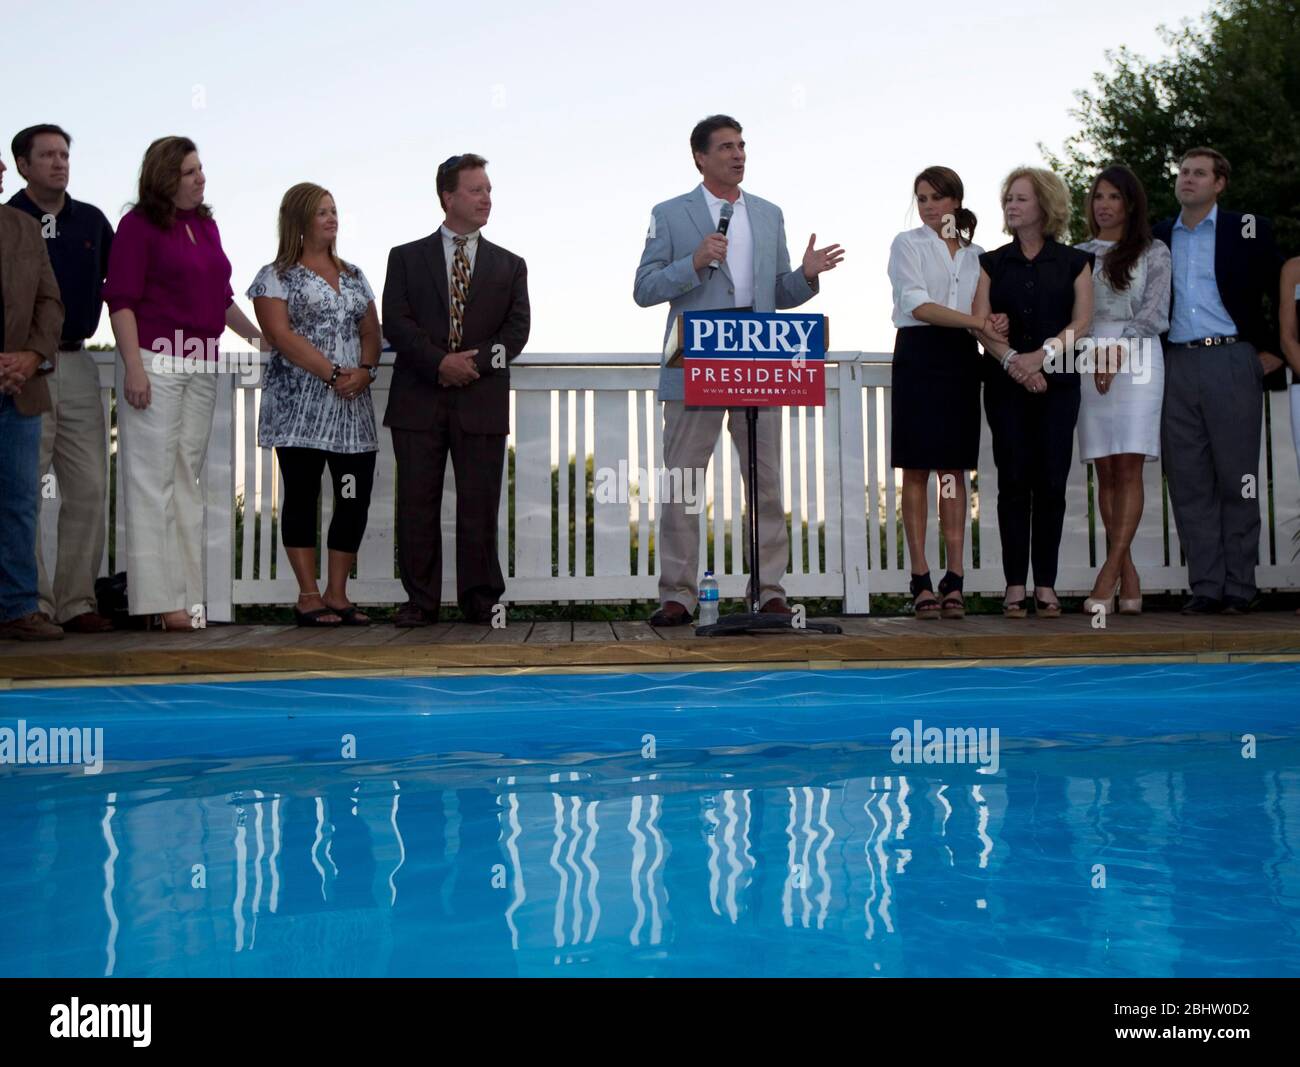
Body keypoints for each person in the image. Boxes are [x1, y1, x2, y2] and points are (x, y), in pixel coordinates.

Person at [634, 114, 844, 625]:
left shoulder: (769, 214)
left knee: (766, 481)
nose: (738, 154)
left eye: (742, 145)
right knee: (684, 482)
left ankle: (769, 589)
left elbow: (780, 293)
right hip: (695, 363)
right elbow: (644, 289)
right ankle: (679, 595)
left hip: (759, 358)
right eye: (726, 146)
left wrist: (807, 277)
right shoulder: (670, 214)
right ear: (701, 158)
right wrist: (695, 262)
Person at [103, 136, 263, 631]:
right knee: (152, 484)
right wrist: (132, 367)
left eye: (201, 169)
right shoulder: (137, 226)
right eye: (190, 171)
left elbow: (220, 297)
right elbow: (122, 301)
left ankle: (189, 599)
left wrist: (257, 337)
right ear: (165, 176)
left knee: (184, 483)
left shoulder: (206, 226)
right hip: (153, 361)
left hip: (202, 364)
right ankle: (160, 601)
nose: (201, 178)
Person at [382, 154, 530, 626]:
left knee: (480, 504)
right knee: (416, 504)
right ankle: (420, 602)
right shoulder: (405, 258)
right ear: (449, 197)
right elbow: (397, 323)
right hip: (417, 399)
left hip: (482, 400)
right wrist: (438, 363)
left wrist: (474, 365)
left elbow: (517, 332)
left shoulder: (511, 265)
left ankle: (482, 600)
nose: (487, 198)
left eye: (489, 189)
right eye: (476, 190)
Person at [1153, 147, 1285, 615]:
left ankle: (1240, 587)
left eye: (1199, 173)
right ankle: (1206, 585)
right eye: (1184, 172)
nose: (1188, 179)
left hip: (1232, 359)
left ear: (1220, 183)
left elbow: (1281, 288)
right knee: (1188, 481)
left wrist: (1276, 348)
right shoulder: (1157, 236)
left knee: (1239, 479)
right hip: (1176, 365)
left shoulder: (1248, 230)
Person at [249, 183, 381, 626]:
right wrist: (331, 373)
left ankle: (337, 594)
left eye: (334, 210)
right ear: (299, 221)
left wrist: (363, 370)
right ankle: (308, 596)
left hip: (351, 406)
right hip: (299, 408)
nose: (332, 218)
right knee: (302, 496)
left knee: (353, 498)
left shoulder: (355, 275)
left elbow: (370, 330)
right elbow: (280, 336)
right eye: (322, 212)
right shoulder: (276, 275)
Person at [8, 124, 115, 634]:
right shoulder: (11, 220)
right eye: (47, 155)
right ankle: (34, 604)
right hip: (23, 370)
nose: (59, 162)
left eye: (65, 153)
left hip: (77, 361)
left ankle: (77, 602)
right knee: (24, 489)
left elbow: (125, 290)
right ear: (23, 165)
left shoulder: (91, 221)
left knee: (89, 485)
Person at [972, 166, 1094, 618]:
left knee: (1052, 485)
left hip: (1059, 384)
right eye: (1008, 199)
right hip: (1006, 386)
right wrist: (1014, 364)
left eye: (1021, 198)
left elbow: (1082, 322)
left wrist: (1041, 357)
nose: (1011, 205)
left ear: (1044, 205)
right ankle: (1013, 586)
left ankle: (1046, 584)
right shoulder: (992, 262)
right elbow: (981, 323)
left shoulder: (1075, 262)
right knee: (1012, 484)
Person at [887, 165, 994, 620]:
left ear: (955, 200)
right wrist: (977, 322)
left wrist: (991, 326)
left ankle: (955, 578)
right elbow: (917, 304)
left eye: (936, 197)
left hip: (961, 358)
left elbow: (986, 312)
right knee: (915, 467)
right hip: (918, 352)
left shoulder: (979, 255)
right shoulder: (906, 244)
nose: (928, 206)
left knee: (952, 470)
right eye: (922, 198)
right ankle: (920, 576)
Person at [1074, 165, 1171, 616]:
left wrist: (1117, 353)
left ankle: (1108, 573)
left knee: (1130, 462)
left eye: (1113, 196)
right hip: (1089, 356)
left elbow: (1155, 313)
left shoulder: (1154, 252)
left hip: (1139, 358)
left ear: (1130, 203)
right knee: (1105, 468)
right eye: (1098, 196)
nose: (1104, 204)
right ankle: (1129, 576)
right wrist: (1095, 353)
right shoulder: (1077, 254)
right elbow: (1074, 314)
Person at [0, 149, 65, 641]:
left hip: (22, 390)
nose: (2, 169)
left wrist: (32, 356)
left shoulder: (24, 228)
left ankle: (19, 608)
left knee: (22, 501)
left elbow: (50, 301)